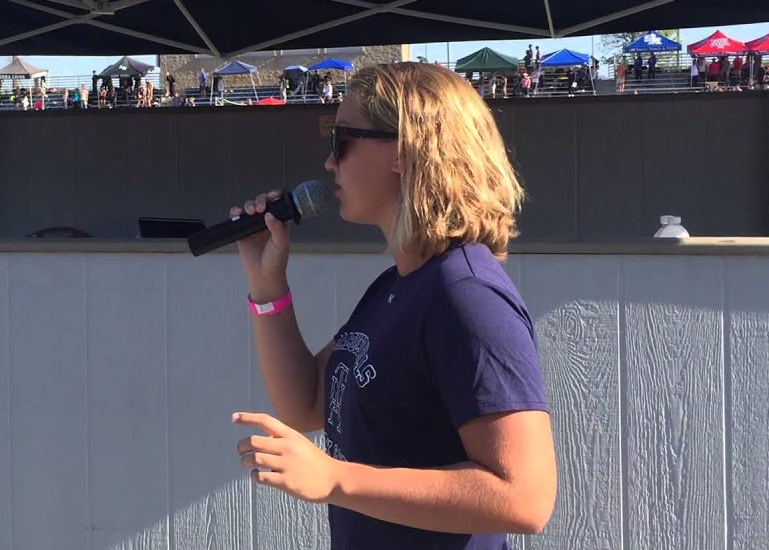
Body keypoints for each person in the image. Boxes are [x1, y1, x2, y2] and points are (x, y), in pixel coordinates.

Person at [229, 62, 556, 549]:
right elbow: (306, 405)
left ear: (403, 152)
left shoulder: (466, 294)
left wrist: (337, 479)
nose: (329, 164)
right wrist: (267, 284)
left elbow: (524, 497)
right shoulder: (398, 287)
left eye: (341, 141)